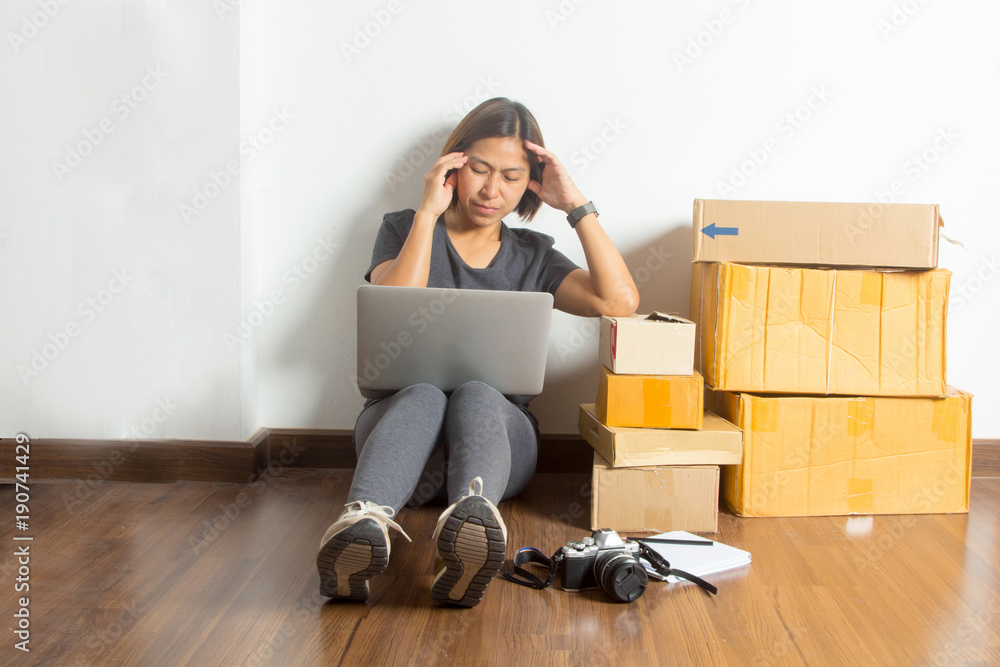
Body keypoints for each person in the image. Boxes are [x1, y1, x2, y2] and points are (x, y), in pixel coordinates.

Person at [316, 97, 639, 607]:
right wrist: (428, 213)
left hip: (496, 446)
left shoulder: (533, 255)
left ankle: (473, 524)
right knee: (423, 393)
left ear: (532, 183)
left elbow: (618, 301)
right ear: (453, 166)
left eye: (511, 177)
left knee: (478, 393)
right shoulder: (404, 227)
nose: (492, 190)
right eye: (480, 170)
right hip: (402, 446)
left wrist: (575, 204)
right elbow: (396, 301)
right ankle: (363, 524)